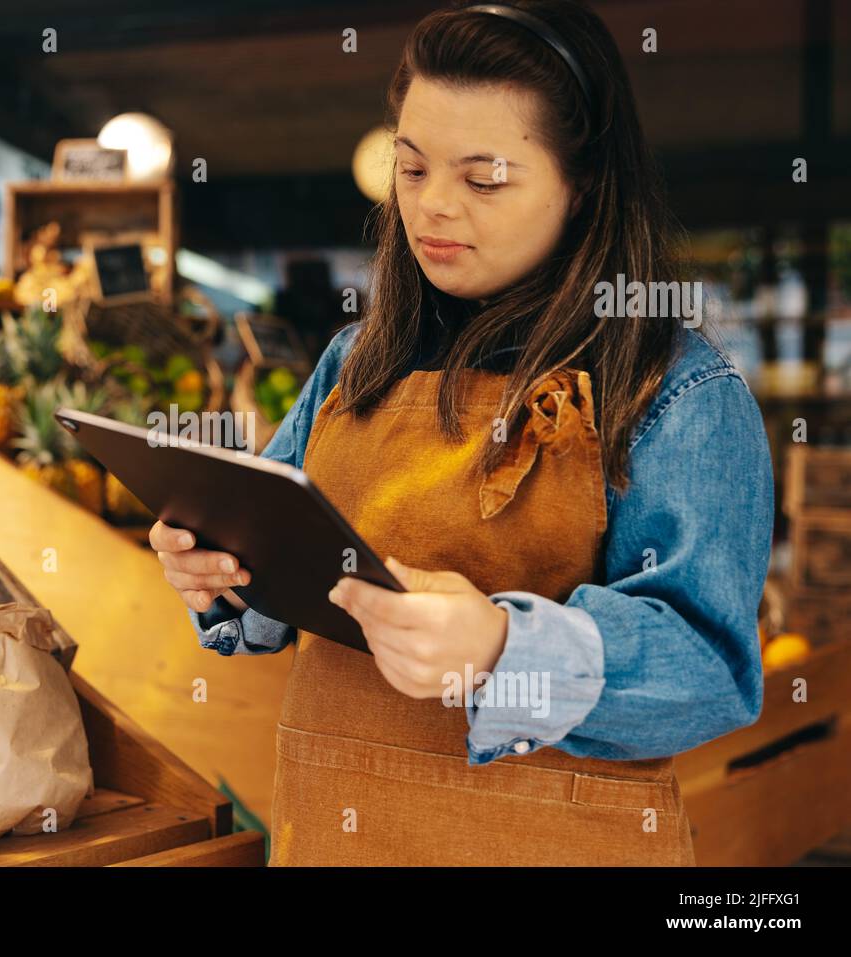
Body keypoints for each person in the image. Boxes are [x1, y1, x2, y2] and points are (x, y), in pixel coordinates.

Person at [150, 0, 772, 866]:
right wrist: (216, 569)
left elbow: (710, 669)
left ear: (583, 182)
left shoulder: (677, 384)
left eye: (484, 179)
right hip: (332, 834)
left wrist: (503, 649)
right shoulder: (354, 362)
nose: (433, 208)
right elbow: (280, 583)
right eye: (411, 169)